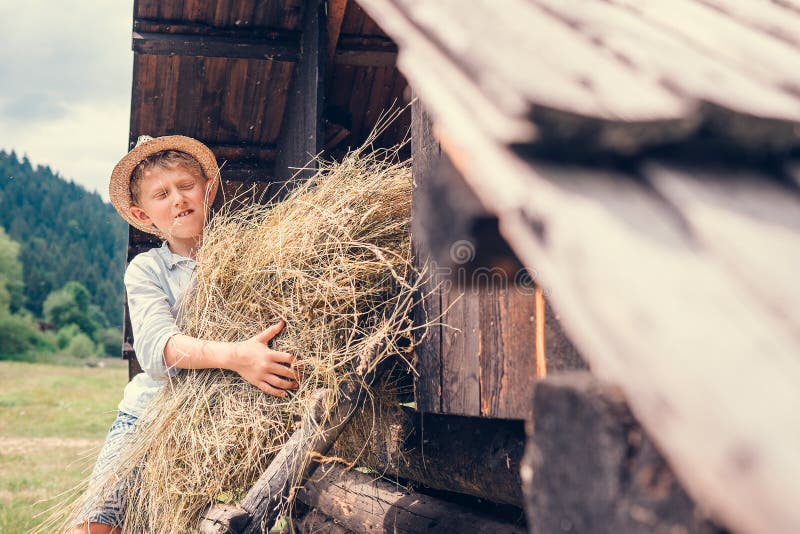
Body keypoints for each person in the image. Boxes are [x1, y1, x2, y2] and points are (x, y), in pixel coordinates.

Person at [71, 135, 299, 533]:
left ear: (208, 190)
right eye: (162, 193)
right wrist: (237, 357)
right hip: (148, 415)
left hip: (233, 412)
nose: (178, 198)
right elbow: (158, 351)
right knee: (98, 523)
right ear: (143, 216)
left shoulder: (253, 254)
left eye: (186, 185)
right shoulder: (147, 270)